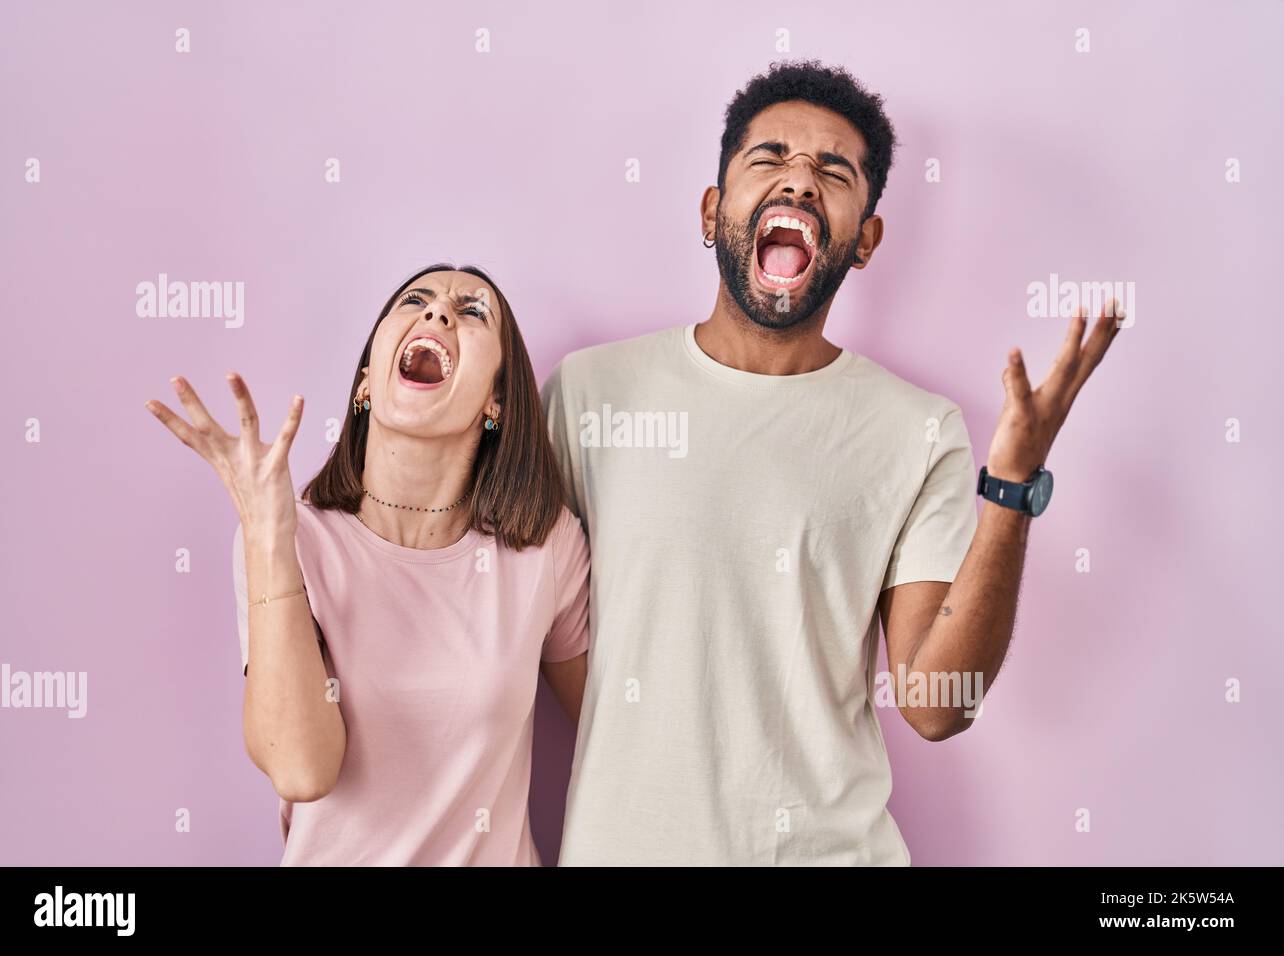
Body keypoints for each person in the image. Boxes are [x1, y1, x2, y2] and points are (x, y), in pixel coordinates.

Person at [542, 61, 1124, 865]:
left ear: (866, 241)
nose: (801, 182)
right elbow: (529, 621)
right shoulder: (588, 393)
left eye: (833, 171)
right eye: (770, 159)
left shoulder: (919, 431)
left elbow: (932, 705)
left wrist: (1013, 488)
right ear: (713, 213)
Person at [146, 264, 591, 866]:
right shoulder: (293, 538)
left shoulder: (544, 546)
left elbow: (609, 729)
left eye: (471, 311)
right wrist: (267, 535)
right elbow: (301, 768)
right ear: (365, 385)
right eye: (416, 300)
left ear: (496, 401)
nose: (437, 314)